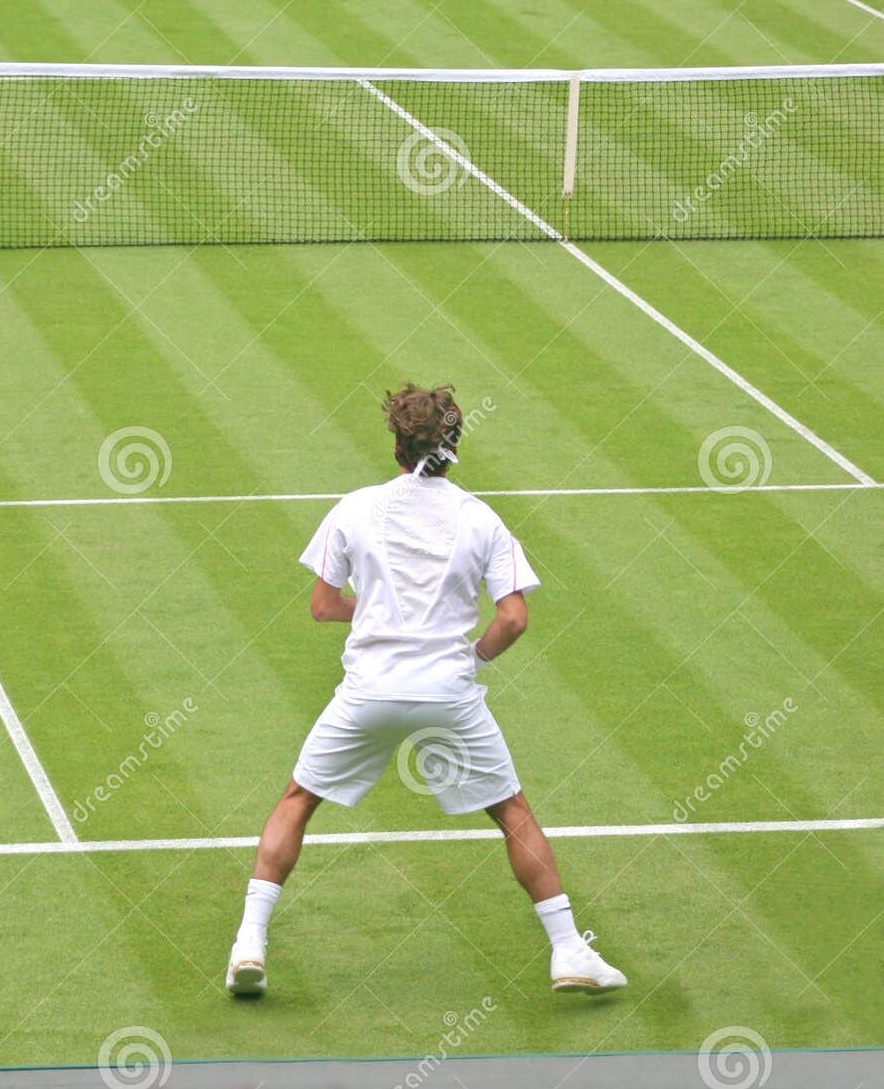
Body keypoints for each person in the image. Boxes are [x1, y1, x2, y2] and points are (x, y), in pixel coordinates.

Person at [225, 383, 627, 999]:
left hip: (369, 692)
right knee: (512, 812)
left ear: (396, 442)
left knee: (297, 800)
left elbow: (322, 606)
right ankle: (569, 951)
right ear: (454, 445)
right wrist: (474, 655)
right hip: (449, 693)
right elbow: (513, 617)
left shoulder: (355, 508)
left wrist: (377, 615)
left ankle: (248, 944)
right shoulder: (480, 518)